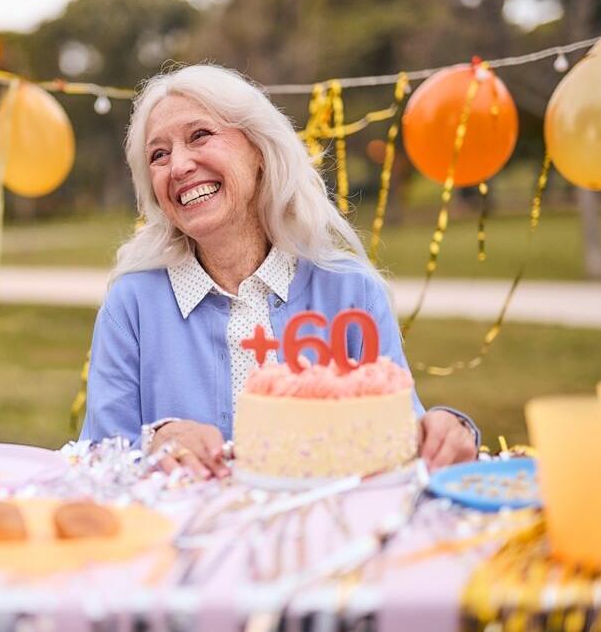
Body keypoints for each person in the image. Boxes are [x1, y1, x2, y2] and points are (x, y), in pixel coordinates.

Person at [79, 64, 479, 478]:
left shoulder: (351, 291)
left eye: (200, 135)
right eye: (158, 155)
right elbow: (94, 461)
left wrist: (446, 431)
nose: (178, 165)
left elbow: (400, 439)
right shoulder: (132, 305)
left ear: (259, 152)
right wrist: (155, 441)